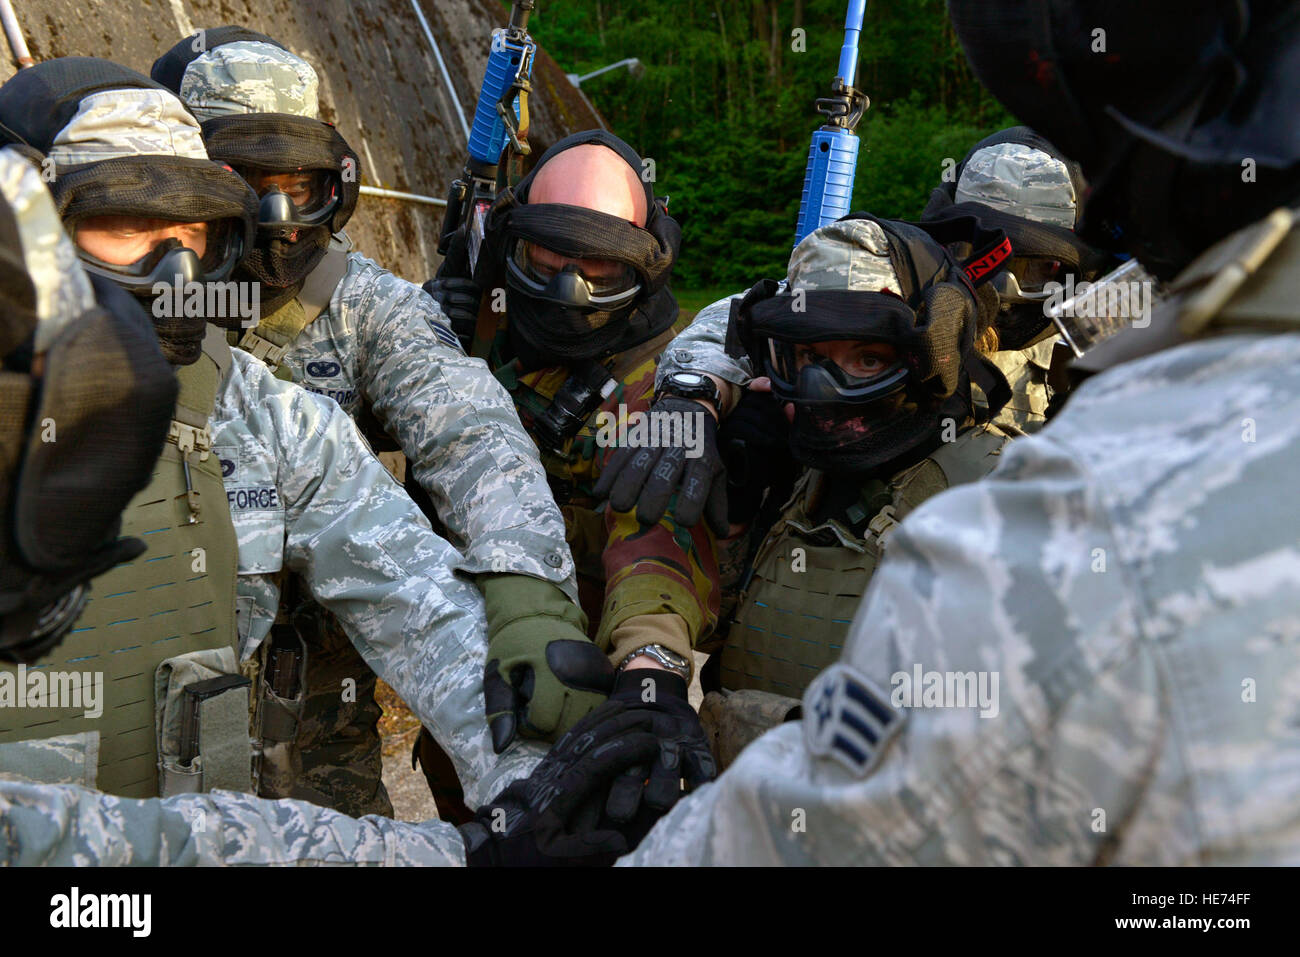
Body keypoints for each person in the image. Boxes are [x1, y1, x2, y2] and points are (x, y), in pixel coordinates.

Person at [620, 0, 1300, 864]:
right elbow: (760, 312)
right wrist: (692, 389)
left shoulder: (1093, 318)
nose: (1011, 281)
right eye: (991, 250)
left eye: (1040, 262)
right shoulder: (909, 294)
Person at [0, 57, 548, 815]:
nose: (176, 271)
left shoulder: (259, 412)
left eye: (192, 230)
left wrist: (545, 775)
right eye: (127, 224)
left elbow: (420, 599)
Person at [146, 29, 614, 817]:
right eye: (245, 180)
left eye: (299, 184)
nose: (277, 216)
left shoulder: (366, 305)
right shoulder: (127, 293)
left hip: (323, 714)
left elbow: (472, 433)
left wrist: (527, 591)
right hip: (154, 697)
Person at [421, 130, 717, 805]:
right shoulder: (483, 317)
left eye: (598, 271)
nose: (568, 289)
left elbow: (654, 540)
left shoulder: (661, 384)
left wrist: (654, 671)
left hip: (580, 661)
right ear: (508, 243)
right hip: (461, 645)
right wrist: (423, 335)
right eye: (547, 257)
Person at [683, 214, 1017, 768]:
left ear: (931, 356)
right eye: (811, 360)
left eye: (867, 360)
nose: (823, 391)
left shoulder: (1000, 502)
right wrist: (740, 510)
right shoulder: (799, 478)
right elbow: (731, 638)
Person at [921, 126, 1118, 430]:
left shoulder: (1106, 350)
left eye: (1038, 266)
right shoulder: (907, 318)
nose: (1002, 290)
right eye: (979, 254)